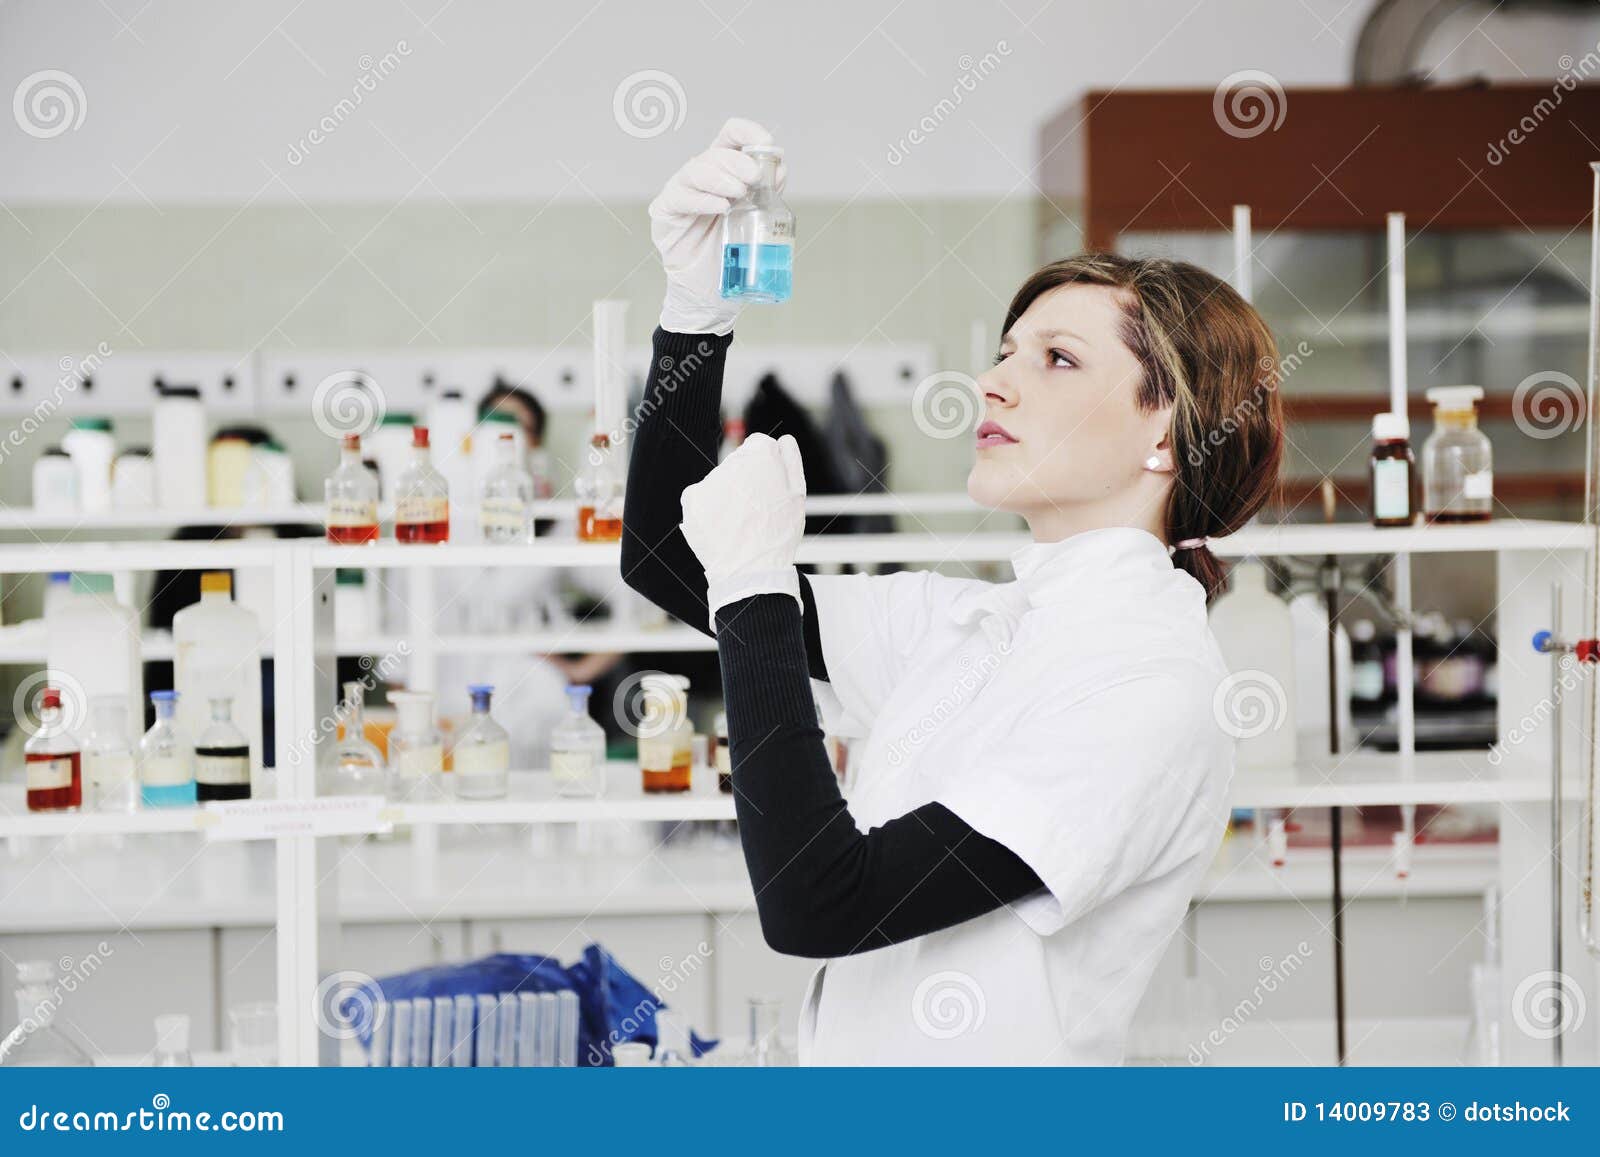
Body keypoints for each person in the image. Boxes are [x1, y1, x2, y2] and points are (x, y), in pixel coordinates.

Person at [622, 119, 1284, 1065]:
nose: (993, 384)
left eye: (1056, 359)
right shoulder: (976, 621)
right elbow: (665, 557)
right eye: (1007, 352)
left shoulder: (1147, 689)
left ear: (1170, 438)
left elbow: (821, 901)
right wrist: (697, 311)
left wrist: (761, 579)